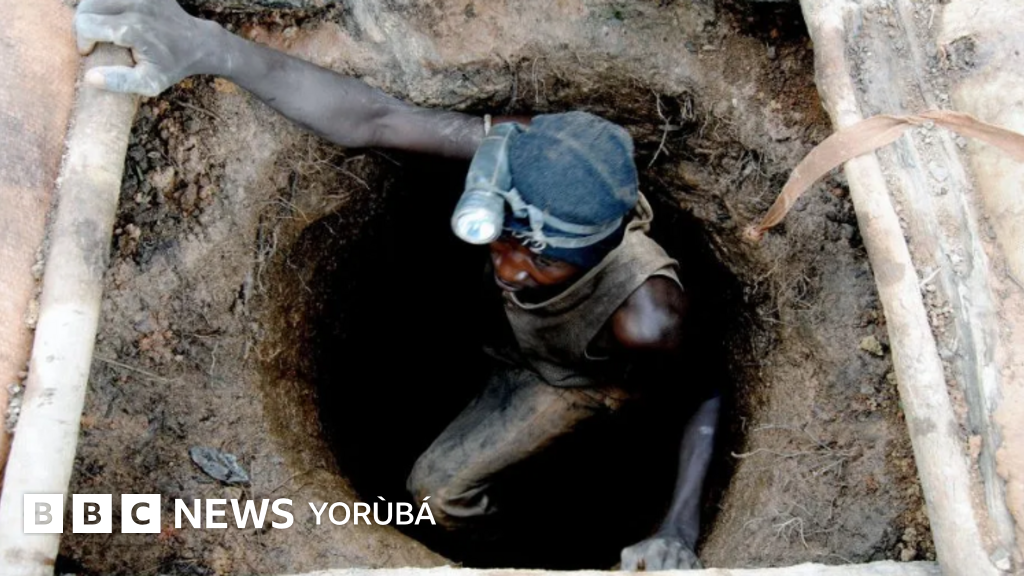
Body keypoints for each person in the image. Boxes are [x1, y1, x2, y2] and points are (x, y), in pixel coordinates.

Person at [74, 0, 722, 569]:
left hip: (571, 379)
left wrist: (678, 528)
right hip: (506, 335)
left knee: (439, 495)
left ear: (598, 252)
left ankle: (502, 554)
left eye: (540, 263)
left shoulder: (648, 313)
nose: (509, 267)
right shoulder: (528, 154)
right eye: (501, 237)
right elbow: (375, 120)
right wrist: (211, 46)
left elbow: (701, 396)